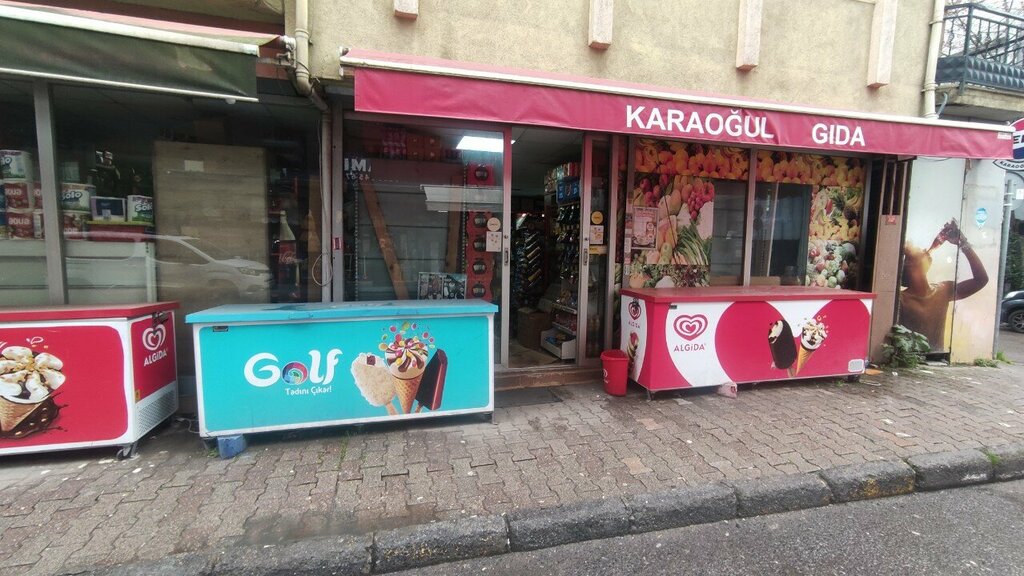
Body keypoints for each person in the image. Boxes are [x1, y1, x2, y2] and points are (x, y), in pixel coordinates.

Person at [899, 219, 988, 351]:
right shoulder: (900, 300)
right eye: (919, 250)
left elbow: (981, 280)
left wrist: (963, 244)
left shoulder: (943, 290)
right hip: (909, 362)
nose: (925, 249)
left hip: (934, 361)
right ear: (910, 265)